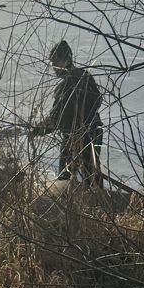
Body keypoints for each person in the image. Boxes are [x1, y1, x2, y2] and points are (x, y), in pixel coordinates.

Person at [30, 40, 103, 186]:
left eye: (54, 62)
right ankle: (99, 202)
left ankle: (69, 203)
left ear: (65, 60)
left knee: (65, 176)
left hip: (75, 136)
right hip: (95, 132)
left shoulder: (65, 86)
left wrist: (37, 130)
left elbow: (56, 119)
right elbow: (98, 100)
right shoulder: (85, 76)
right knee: (92, 176)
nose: (52, 66)